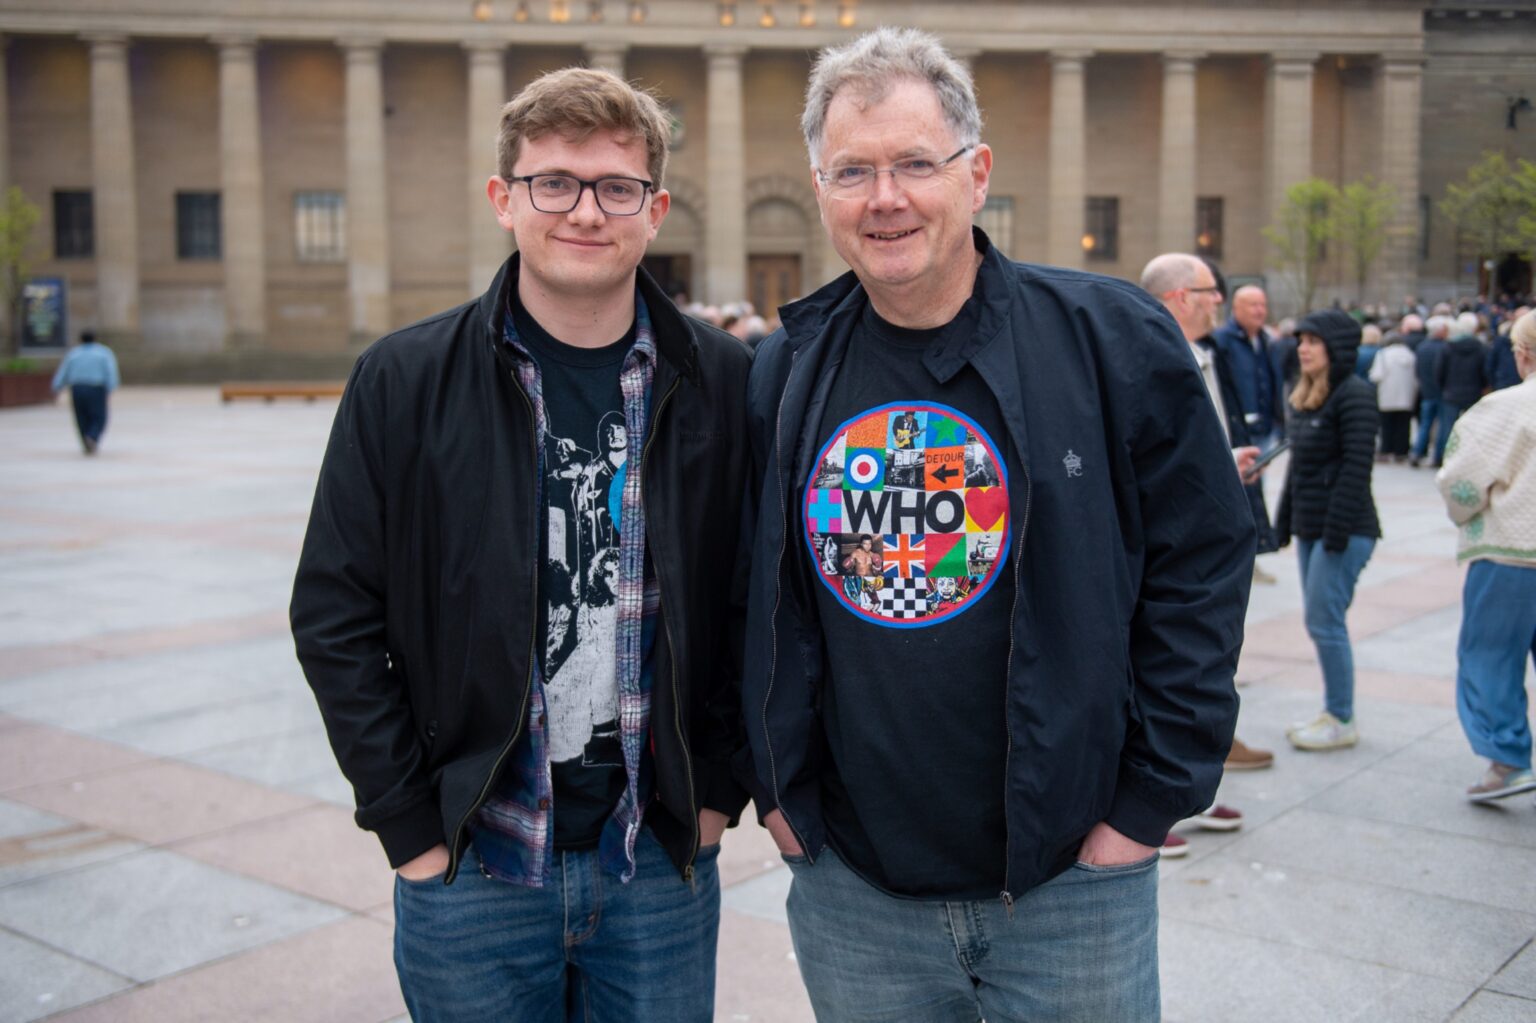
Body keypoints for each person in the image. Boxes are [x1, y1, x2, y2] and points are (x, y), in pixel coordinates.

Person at [739, 28, 1252, 1022]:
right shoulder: (785, 369)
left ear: (976, 174)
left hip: (1071, 884)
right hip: (856, 890)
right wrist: (777, 795)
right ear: (821, 190)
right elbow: (746, 593)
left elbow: (1204, 564)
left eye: (914, 164)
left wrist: (1143, 810)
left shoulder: (1112, 341)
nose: (884, 197)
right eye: (854, 171)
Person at [290, 67, 752, 1022]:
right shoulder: (403, 381)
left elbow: (757, 603)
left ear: (654, 210)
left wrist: (715, 796)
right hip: (475, 866)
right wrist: (412, 825)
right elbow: (333, 612)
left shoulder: (726, 382)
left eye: (615, 188)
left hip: (655, 867)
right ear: (506, 199)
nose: (584, 211)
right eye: (554, 183)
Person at [1435, 310, 1536, 803]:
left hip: (1512, 552)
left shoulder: (1505, 409)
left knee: (1490, 656)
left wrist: (1464, 513)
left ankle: (1508, 758)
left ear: (1522, 354)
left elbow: (1462, 480)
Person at [1275, 309, 1381, 751]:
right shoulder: (1306, 394)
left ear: (1335, 349)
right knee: (1321, 620)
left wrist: (1333, 535)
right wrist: (1283, 525)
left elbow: (1357, 468)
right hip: (1313, 530)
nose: (1303, 347)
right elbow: (1299, 468)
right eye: (1301, 340)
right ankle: (1334, 711)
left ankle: (1341, 716)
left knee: (1324, 621)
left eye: (1313, 341)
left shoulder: (1354, 394)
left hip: (1344, 530)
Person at [1213, 284, 1285, 453]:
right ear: (1236, 308)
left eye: (1263, 305)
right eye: (1254, 305)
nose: (1260, 311)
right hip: (1237, 433)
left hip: (1266, 429)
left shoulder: (1267, 340)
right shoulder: (1221, 341)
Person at [50, 330, 119, 455]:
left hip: (77, 388)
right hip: (96, 388)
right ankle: (92, 436)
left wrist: (57, 386)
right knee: (99, 416)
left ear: (81, 340)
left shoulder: (74, 354)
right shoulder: (103, 353)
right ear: (95, 339)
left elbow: (64, 371)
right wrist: (111, 387)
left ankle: (85, 439)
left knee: (81, 416)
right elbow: (110, 371)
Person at [1437, 310, 1490, 461]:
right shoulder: (1481, 348)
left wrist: (1444, 387)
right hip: (1473, 392)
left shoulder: (1448, 347)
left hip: (1451, 392)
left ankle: (1445, 458)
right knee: (1471, 429)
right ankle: (1468, 458)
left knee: (1447, 428)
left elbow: (1439, 371)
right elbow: (1484, 372)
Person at [1370, 327, 1419, 462]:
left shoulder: (1383, 355)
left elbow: (1376, 375)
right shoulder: (1410, 355)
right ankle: (1401, 451)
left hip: (1387, 395)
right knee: (1403, 425)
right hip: (1406, 395)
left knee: (1387, 425)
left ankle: (1386, 449)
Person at [1410, 314, 1451, 467]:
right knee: (1442, 425)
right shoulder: (1445, 347)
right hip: (1441, 391)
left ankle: (1417, 452)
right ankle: (1438, 456)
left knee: (1425, 424)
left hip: (1427, 391)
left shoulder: (1422, 347)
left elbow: (1418, 370)